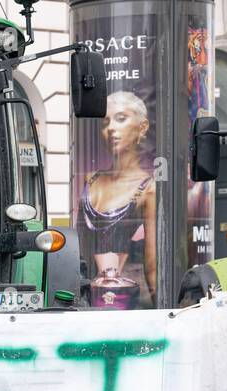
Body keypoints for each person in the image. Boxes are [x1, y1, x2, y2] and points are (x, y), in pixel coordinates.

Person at [81, 90, 158, 309]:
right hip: (86, 297)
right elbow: (80, 248)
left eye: (121, 118)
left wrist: (163, 314)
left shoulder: (147, 189)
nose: (111, 128)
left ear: (142, 127)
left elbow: (152, 266)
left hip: (122, 300)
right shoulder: (91, 179)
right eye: (105, 123)